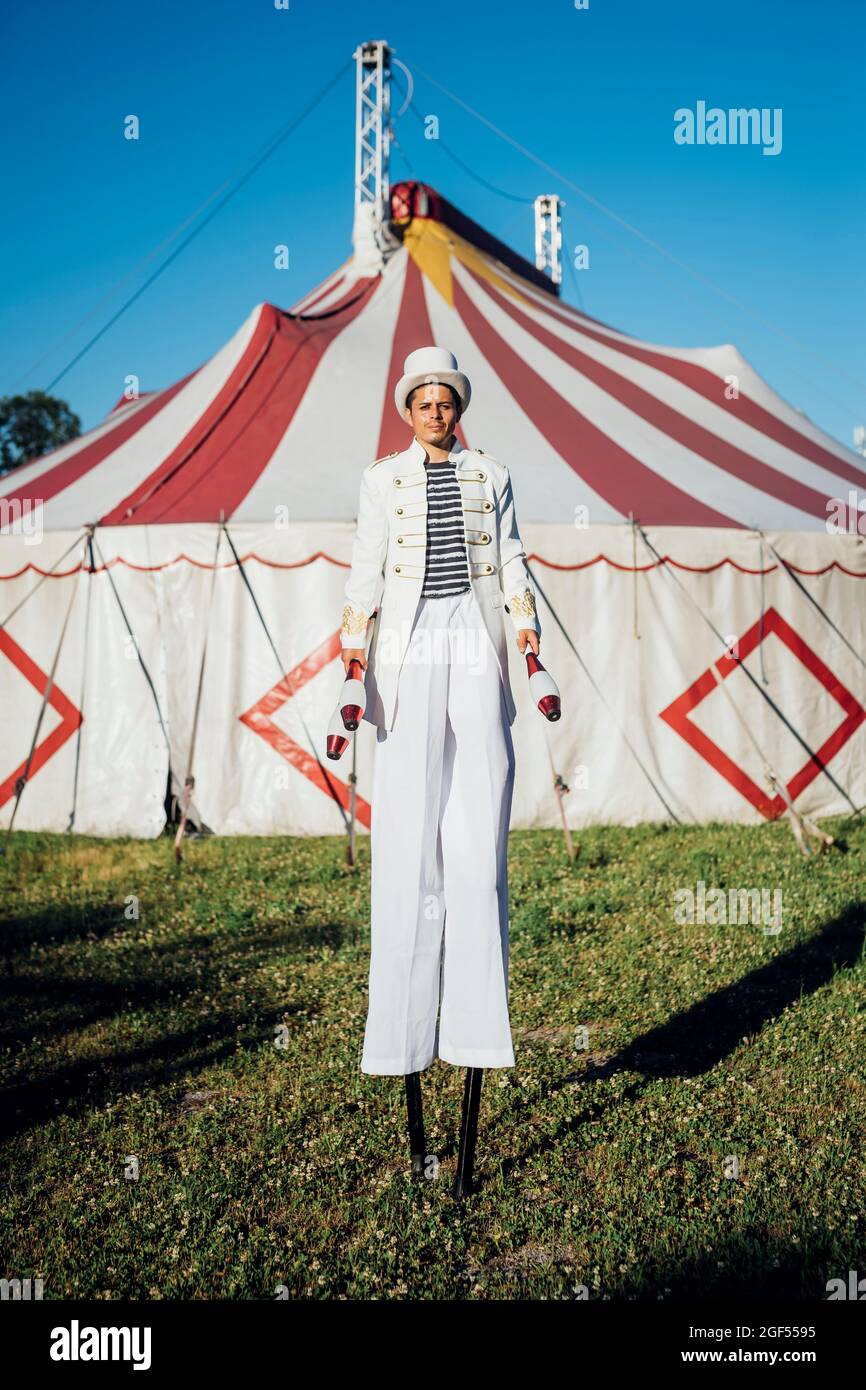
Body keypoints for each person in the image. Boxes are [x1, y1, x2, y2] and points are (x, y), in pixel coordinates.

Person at [339, 346, 540, 1078]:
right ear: (408, 411)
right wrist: (352, 655)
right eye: (424, 404)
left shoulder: (493, 474)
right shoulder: (382, 480)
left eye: (445, 403)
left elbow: (511, 557)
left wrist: (526, 626)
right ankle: (401, 1035)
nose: (435, 413)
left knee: (482, 801)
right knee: (409, 813)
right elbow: (365, 571)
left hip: (473, 629)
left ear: (458, 410)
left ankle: (476, 1033)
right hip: (409, 635)